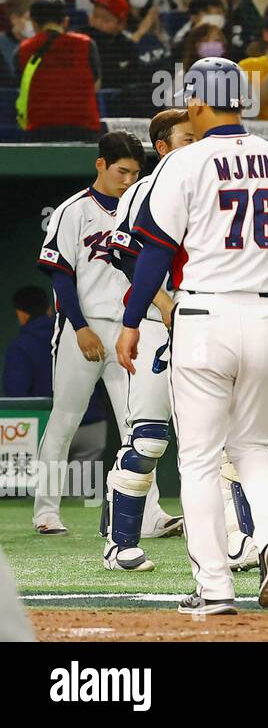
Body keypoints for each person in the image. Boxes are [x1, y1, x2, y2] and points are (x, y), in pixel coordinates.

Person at [115, 57, 268, 615]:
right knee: (254, 446)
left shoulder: (183, 164)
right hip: (266, 318)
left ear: (200, 104)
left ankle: (214, 587)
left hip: (204, 317)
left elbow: (155, 254)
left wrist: (133, 321)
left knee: (201, 460)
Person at [31, 131, 146, 535]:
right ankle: (46, 511)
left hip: (128, 329)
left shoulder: (139, 210)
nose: (128, 179)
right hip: (84, 327)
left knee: (138, 425)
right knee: (64, 419)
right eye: (121, 170)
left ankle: (145, 515)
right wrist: (79, 328)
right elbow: (61, 276)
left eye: (134, 172)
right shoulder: (72, 211)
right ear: (100, 164)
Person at [98, 110, 195, 572]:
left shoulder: (214, 188)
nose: (197, 144)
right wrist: (160, 303)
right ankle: (120, 543)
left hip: (207, 322)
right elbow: (124, 255)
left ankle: (240, 539)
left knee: (225, 443)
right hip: (159, 323)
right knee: (150, 438)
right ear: (162, 146)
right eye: (186, 138)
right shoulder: (143, 190)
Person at [17, 0, 101, 142]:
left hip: (39, 133)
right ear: (65, 21)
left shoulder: (23, 50)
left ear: (34, 22)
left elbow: (23, 87)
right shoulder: (86, 44)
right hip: (84, 132)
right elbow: (96, 85)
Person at [82, 0, 140, 91]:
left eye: (106, 20)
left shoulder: (127, 47)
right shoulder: (80, 40)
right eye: (95, 16)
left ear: (121, 24)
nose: (97, 22)